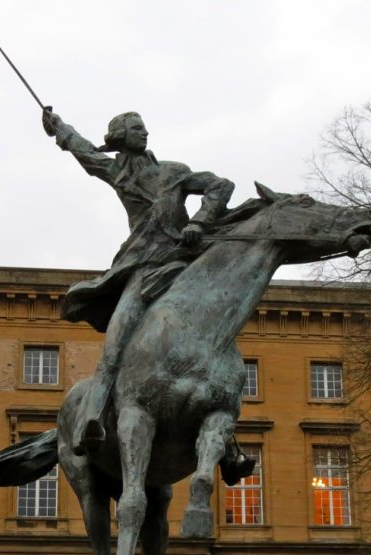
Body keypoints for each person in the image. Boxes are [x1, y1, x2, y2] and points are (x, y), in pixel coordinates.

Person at [43, 108, 234, 453]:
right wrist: (60, 129)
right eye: (136, 128)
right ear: (121, 137)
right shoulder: (118, 173)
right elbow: (87, 154)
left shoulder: (173, 172)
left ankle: (229, 446)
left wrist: (200, 222)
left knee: (216, 333)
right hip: (142, 266)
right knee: (117, 338)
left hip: (182, 263)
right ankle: (92, 416)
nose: (144, 133)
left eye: (144, 127)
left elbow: (221, 185)